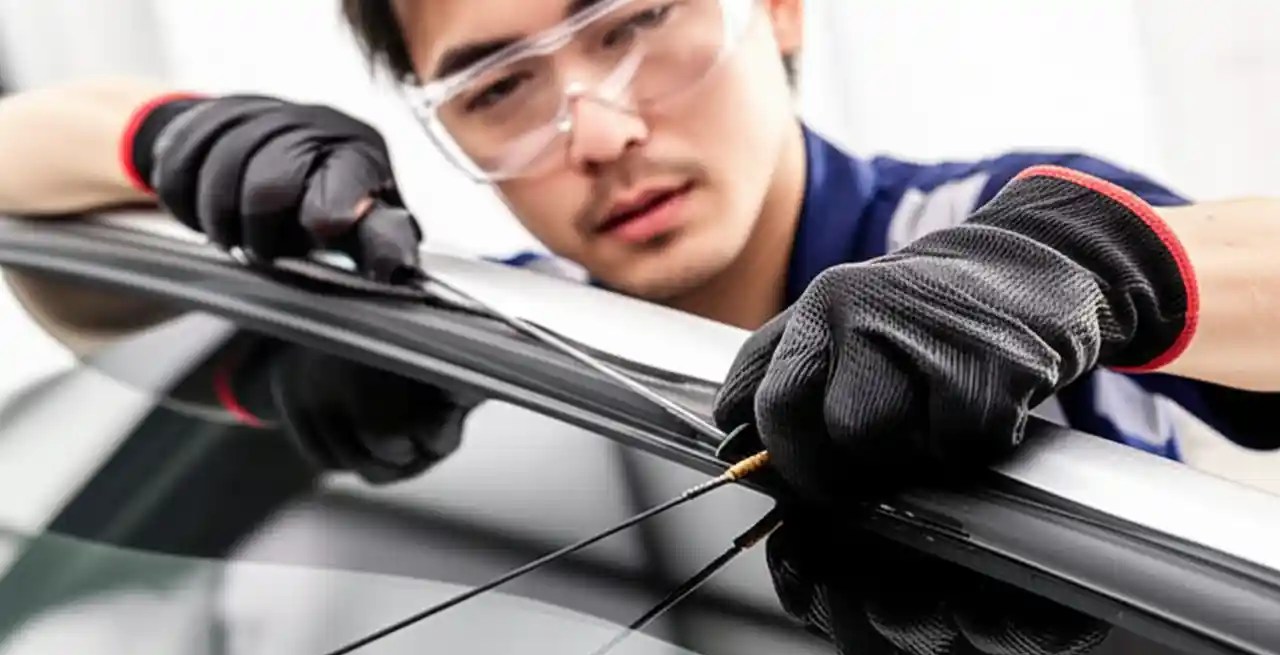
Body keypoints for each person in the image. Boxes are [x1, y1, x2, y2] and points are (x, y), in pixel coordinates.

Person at [0, 0, 1278, 503]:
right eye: (496, 90)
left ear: (773, 8)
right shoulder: (491, 342)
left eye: (635, 21)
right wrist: (171, 138)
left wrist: (1115, 275)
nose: (598, 130)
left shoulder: (978, 233)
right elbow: (77, 292)